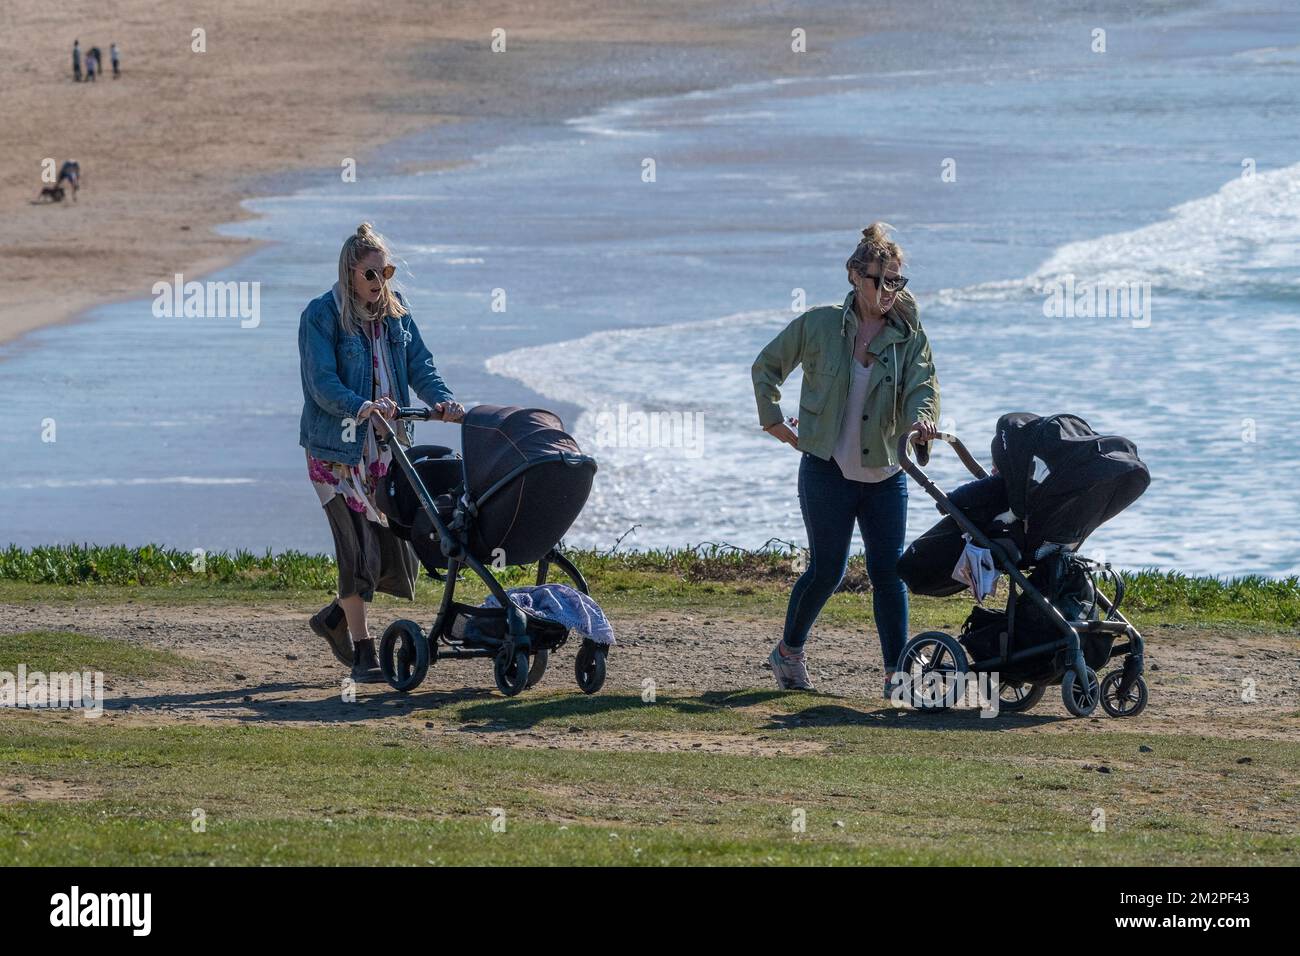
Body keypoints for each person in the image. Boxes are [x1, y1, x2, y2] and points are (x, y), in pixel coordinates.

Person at [752, 222, 940, 696]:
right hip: (825, 469)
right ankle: (789, 653)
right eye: (881, 280)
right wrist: (774, 420)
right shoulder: (818, 324)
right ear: (855, 275)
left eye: (897, 281)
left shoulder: (909, 334)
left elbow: (924, 386)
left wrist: (921, 422)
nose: (889, 291)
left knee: (888, 573)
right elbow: (767, 366)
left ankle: (898, 676)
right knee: (827, 569)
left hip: (886, 473)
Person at [298, 222, 465, 682]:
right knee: (354, 548)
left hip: (384, 446)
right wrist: (361, 405)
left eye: (386, 272)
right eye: (372, 275)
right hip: (336, 454)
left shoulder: (396, 314)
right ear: (350, 273)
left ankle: (334, 619)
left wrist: (442, 401)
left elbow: (421, 366)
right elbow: (321, 384)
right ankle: (363, 654)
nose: (380, 283)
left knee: (391, 551)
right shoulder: (321, 316)